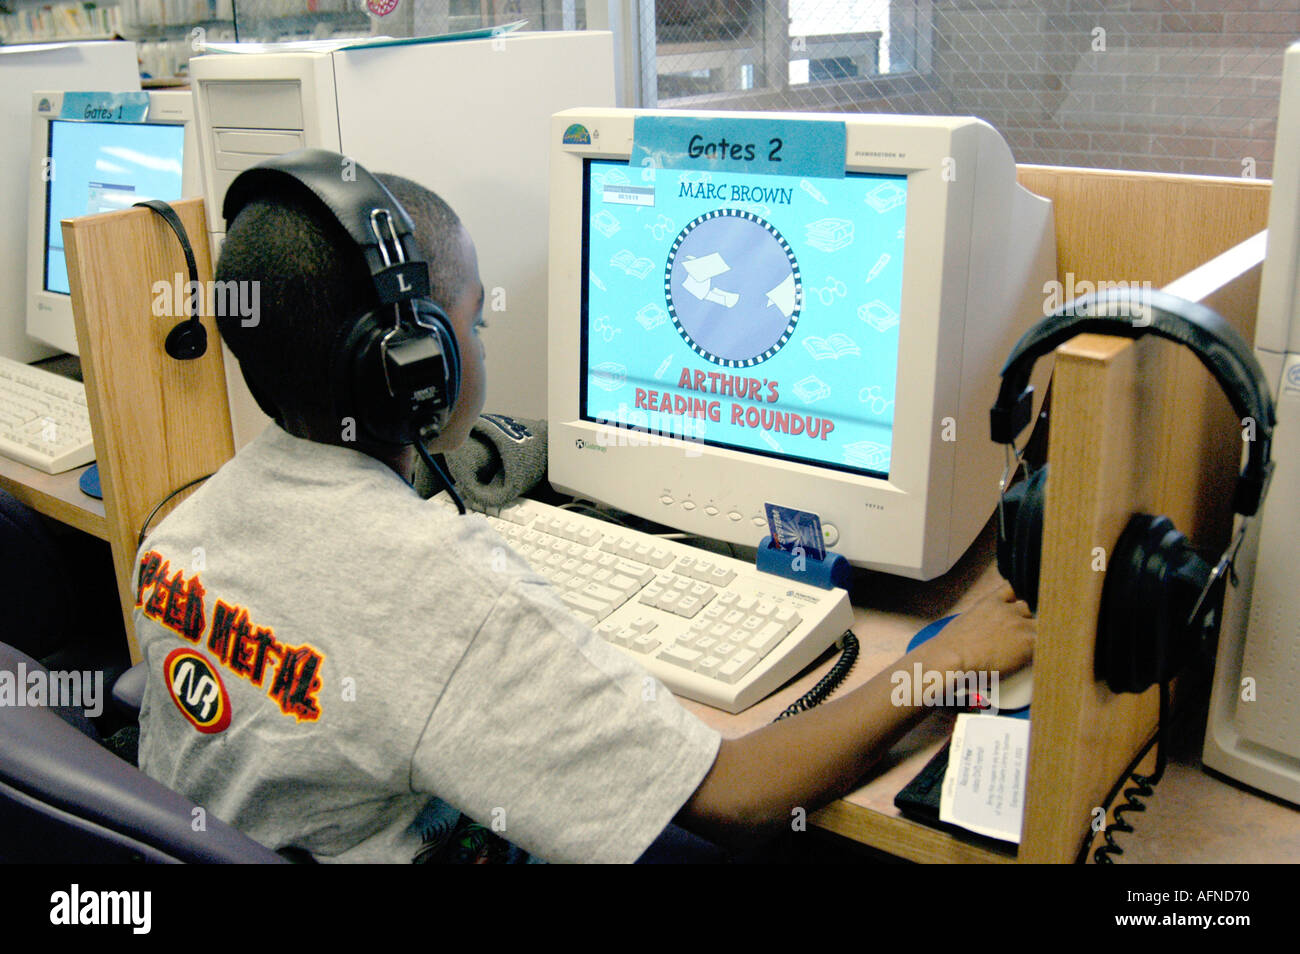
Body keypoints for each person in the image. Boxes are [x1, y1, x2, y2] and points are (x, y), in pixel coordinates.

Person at [133, 155, 1034, 863]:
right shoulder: (449, 596)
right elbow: (738, 797)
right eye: (475, 321)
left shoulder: (177, 532)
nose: (480, 342)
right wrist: (948, 660)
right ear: (416, 363)